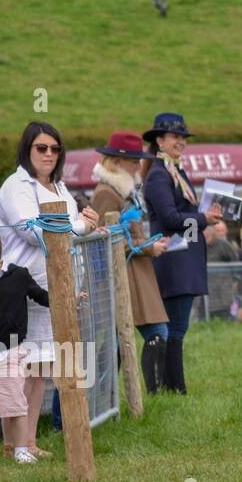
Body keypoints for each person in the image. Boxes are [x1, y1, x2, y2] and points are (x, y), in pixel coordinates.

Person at [0, 122, 101, 459]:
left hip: (52, 287)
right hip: (21, 292)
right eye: (41, 148)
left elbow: (61, 226)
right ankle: (15, 445)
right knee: (18, 371)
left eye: (55, 149)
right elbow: (36, 232)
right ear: (27, 149)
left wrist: (85, 224)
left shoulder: (59, 187)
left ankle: (28, 441)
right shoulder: (16, 186)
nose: (49, 154)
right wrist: (82, 226)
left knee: (40, 370)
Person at [142, 114, 223, 394]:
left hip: (183, 256)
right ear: (159, 141)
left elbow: (182, 215)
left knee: (178, 329)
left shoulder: (175, 171)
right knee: (175, 329)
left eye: (182, 138)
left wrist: (204, 217)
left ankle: (171, 386)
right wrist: (203, 220)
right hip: (173, 260)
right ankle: (174, 388)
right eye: (174, 137)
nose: (180, 142)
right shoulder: (158, 175)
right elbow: (170, 218)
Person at [89, 131, 171, 391]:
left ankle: (148, 394)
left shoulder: (120, 191)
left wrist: (148, 246)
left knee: (151, 333)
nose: (138, 166)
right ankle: (103, 395)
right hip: (121, 275)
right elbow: (108, 240)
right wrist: (149, 248)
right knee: (116, 341)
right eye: (134, 160)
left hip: (134, 274)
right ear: (116, 161)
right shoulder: (106, 193)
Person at [0, 239, 50, 463]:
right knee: (6, 404)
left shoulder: (18, 275)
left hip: (10, 350)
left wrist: (70, 300)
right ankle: (9, 447)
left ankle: (21, 449)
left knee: (15, 403)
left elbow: (42, 297)